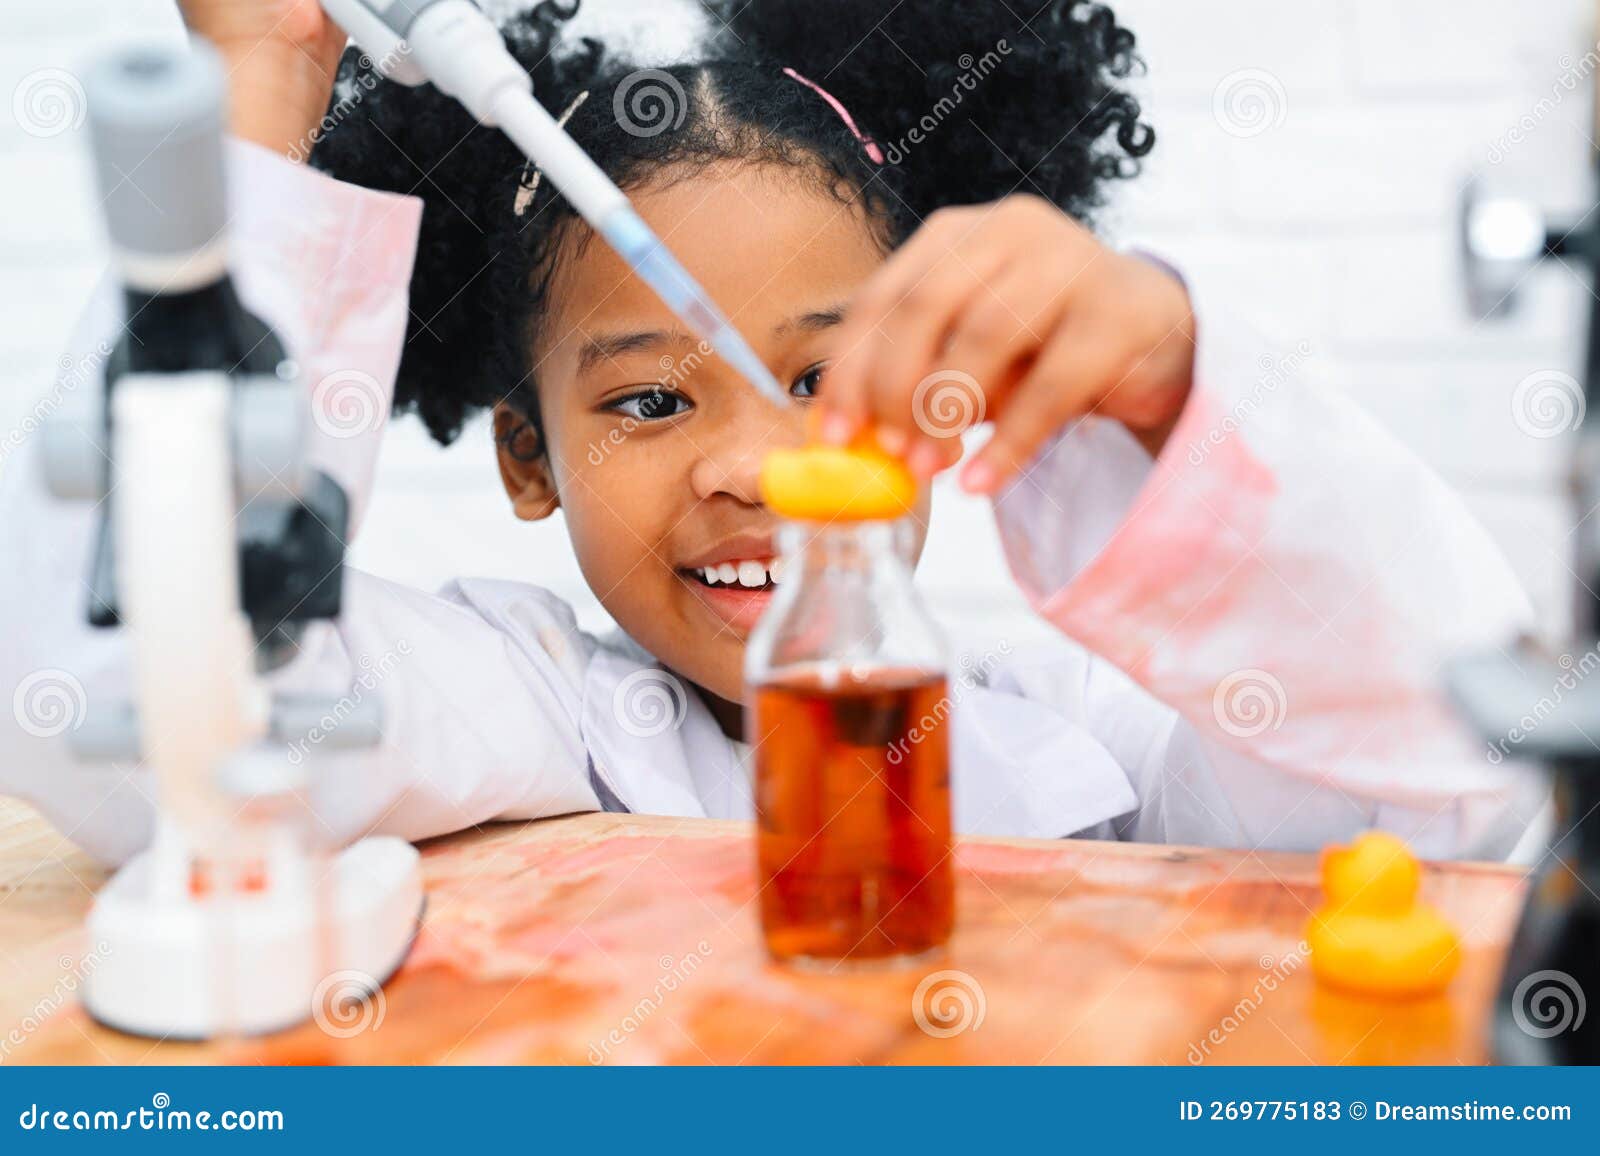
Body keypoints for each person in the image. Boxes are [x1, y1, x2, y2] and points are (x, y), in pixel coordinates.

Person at [0, 0, 1542, 865]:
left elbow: (1450, 790)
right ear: (528, 459)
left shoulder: (1085, 753)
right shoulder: (527, 722)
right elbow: (156, 719)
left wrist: (1168, 389)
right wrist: (265, 73)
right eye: (651, 401)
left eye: (824, 380)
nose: (751, 464)